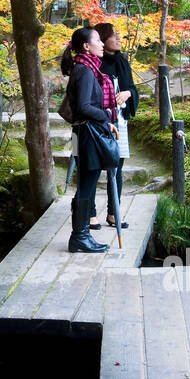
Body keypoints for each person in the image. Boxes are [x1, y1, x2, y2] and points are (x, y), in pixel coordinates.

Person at [60, 27, 119, 253]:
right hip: (87, 136)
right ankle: (80, 237)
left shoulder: (84, 69)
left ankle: (80, 236)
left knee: (84, 184)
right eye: (98, 41)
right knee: (86, 185)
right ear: (86, 46)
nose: (102, 44)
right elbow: (84, 107)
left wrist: (105, 121)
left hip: (82, 133)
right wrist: (105, 116)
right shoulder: (85, 70)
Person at [95, 22, 135, 229]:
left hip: (119, 121)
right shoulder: (94, 63)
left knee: (117, 168)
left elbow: (132, 89)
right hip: (98, 121)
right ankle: (90, 215)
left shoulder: (121, 61)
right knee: (92, 168)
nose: (119, 39)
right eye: (115, 35)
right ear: (102, 39)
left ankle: (113, 212)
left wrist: (127, 93)